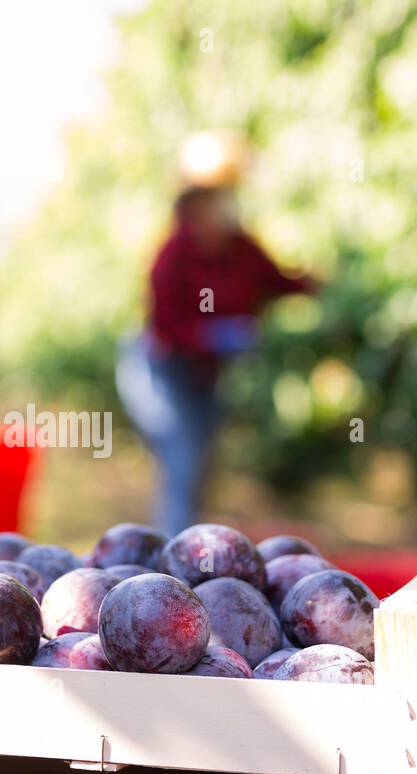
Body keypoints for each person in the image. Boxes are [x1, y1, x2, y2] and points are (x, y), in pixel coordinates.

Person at [117, 131, 316, 535]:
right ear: (194, 203)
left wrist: (319, 284)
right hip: (164, 371)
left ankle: (190, 553)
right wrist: (211, 334)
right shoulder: (173, 256)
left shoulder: (241, 248)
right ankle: (170, 567)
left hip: (206, 375)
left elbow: (278, 281)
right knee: (183, 462)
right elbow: (167, 327)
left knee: (203, 467)